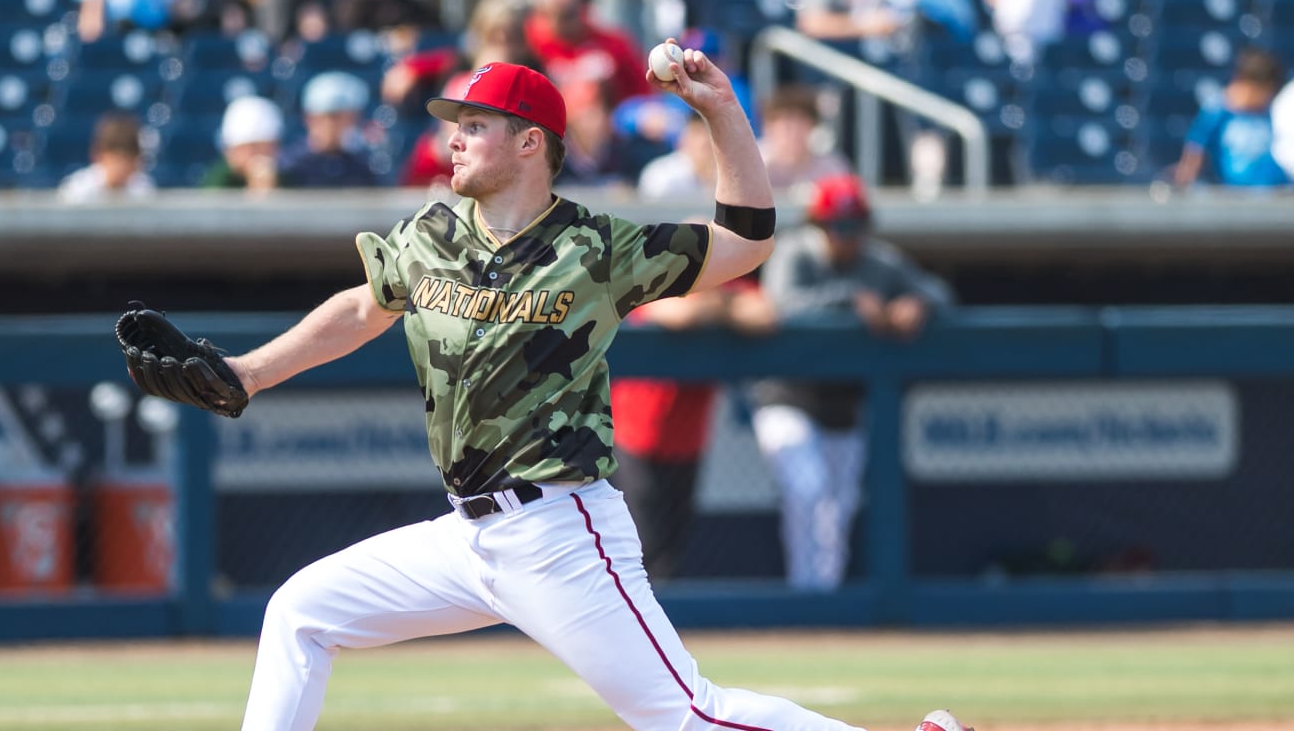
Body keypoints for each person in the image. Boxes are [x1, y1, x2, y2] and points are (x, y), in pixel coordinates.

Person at [184, 49, 961, 730]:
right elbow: (364, 307)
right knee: (300, 613)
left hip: (558, 530)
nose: (454, 137)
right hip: (465, 536)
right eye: (456, 123)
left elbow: (745, 241)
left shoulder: (592, 247)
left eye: (475, 124)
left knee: (684, 714)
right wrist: (249, 372)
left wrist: (722, 111)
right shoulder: (433, 232)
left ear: (530, 142)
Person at [749, 173, 953, 592]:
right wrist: (849, 300)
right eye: (837, 226)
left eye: (854, 225)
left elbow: (941, 292)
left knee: (837, 513)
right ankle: (805, 598)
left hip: (843, 406)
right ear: (818, 224)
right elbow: (782, 305)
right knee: (807, 492)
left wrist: (916, 302)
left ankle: (824, 604)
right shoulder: (793, 252)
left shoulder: (880, 261)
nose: (847, 235)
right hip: (787, 397)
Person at [610, 280, 772, 582]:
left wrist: (712, 305)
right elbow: (678, 315)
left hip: (687, 442)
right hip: (636, 440)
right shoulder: (659, 277)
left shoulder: (724, 286)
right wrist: (722, 309)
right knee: (637, 553)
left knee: (670, 558)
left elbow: (763, 316)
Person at [1174, 47, 1291, 190]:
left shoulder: (1271, 110)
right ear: (1245, 83)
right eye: (1263, 93)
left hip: (1275, 188)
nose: (1265, 99)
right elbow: (1196, 147)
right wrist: (1185, 178)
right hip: (1237, 192)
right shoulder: (1217, 109)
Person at [279, 70, 379, 188]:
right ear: (309, 118)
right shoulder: (289, 165)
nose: (333, 125)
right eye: (332, 116)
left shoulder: (363, 166)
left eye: (345, 118)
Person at [57, 111, 157, 203]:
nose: (120, 168)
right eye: (116, 160)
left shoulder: (144, 190)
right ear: (99, 156)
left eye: (126, 160)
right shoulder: (77, 191)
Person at [200, 94, 284, 193]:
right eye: (250, 147)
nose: (257, 155)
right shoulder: (219, 180)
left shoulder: (287, 174)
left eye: (264, 147)